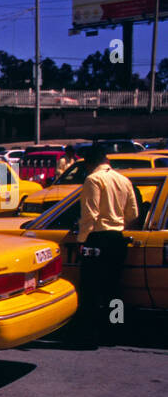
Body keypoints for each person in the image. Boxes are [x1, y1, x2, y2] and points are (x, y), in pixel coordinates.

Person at [74, 143, 139, 347]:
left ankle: (89, 336)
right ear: (107, 160)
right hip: (117, 239)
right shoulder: (124, 180)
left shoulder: (93, 179)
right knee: (114, 289)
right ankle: (115, 332)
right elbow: (133, 214)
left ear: (89, 164)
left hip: (97, 239)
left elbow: (90, 215)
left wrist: (81, 241)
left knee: (91, 290)